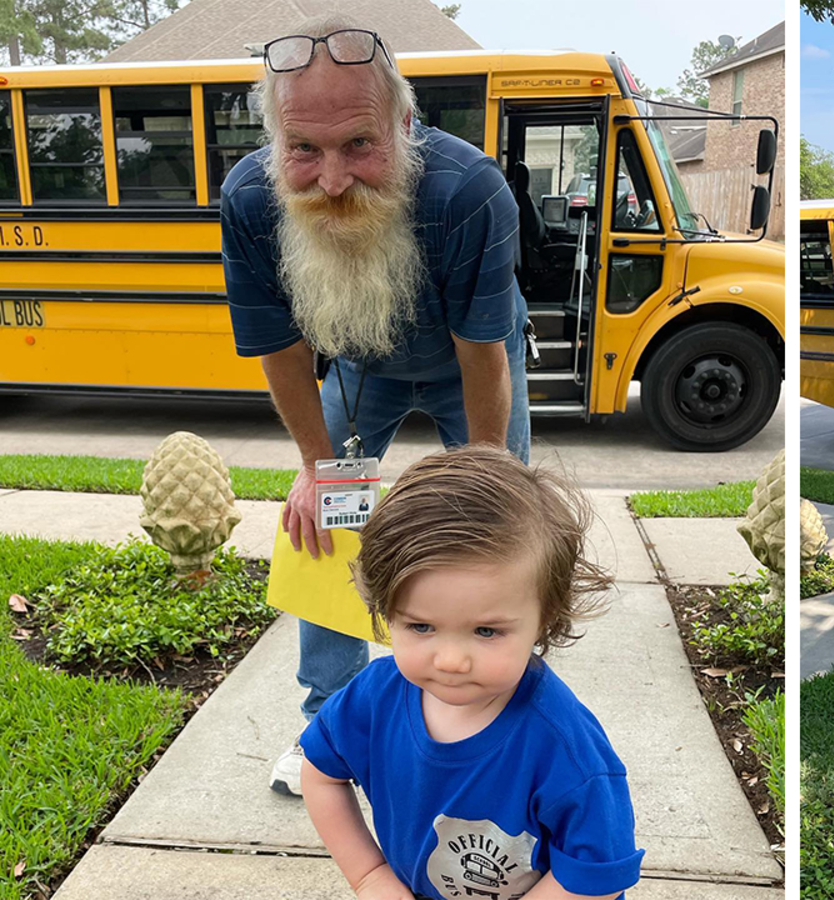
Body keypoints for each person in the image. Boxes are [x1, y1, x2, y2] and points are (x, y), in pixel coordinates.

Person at [219, 13, 530, 796]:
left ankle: (496, 709)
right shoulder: (250, 201)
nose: (331, 179)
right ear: (273, 138)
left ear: (405, 121)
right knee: (324, 521)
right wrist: (316, 469)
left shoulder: (470, 192)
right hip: (366, 367)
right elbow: (280, 351)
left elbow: (481, 352)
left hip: (471, 366)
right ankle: (331, 721)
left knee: (501, 531)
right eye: (304, 150)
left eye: (360, 143)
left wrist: (486, 479)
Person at [301, 445, 642, 900]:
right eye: (421, 626)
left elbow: (594, 875)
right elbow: (321, 772)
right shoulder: (374, 697)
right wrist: (370, 876)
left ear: (546, 616)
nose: (451, 660)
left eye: (486, 631)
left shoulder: (564, 746)